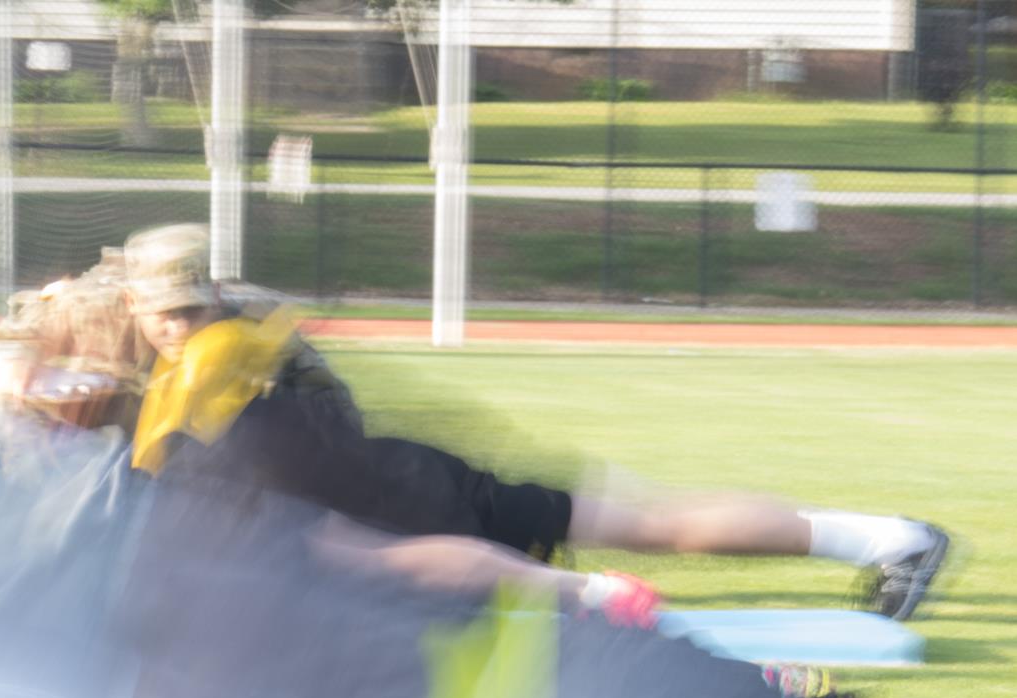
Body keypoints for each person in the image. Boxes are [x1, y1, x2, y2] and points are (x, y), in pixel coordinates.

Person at [110, 223, 955, 621]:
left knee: (622, 538)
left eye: (178, 310)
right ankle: (888, 536)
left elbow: (153, 472)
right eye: (164, 313)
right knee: (644, 520)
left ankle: (613, 603)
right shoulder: (226, 320)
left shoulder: (210, 354)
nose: (173, 326)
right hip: (400, 474)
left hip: (381, 498)